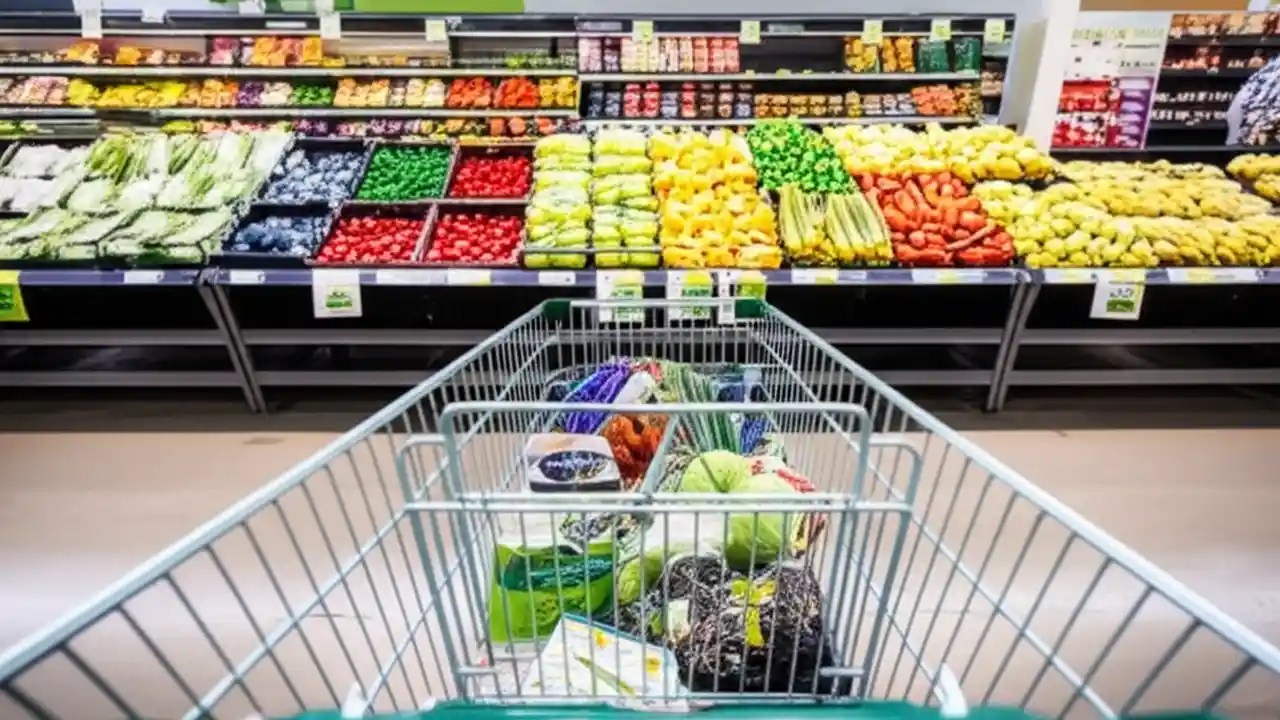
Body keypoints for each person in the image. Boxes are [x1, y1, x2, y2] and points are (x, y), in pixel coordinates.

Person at [1226, 53, 1280, 146]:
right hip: (1257, 135)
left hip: (1250, 135)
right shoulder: (1270, 72)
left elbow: (1234, 112)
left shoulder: (1268, 70)